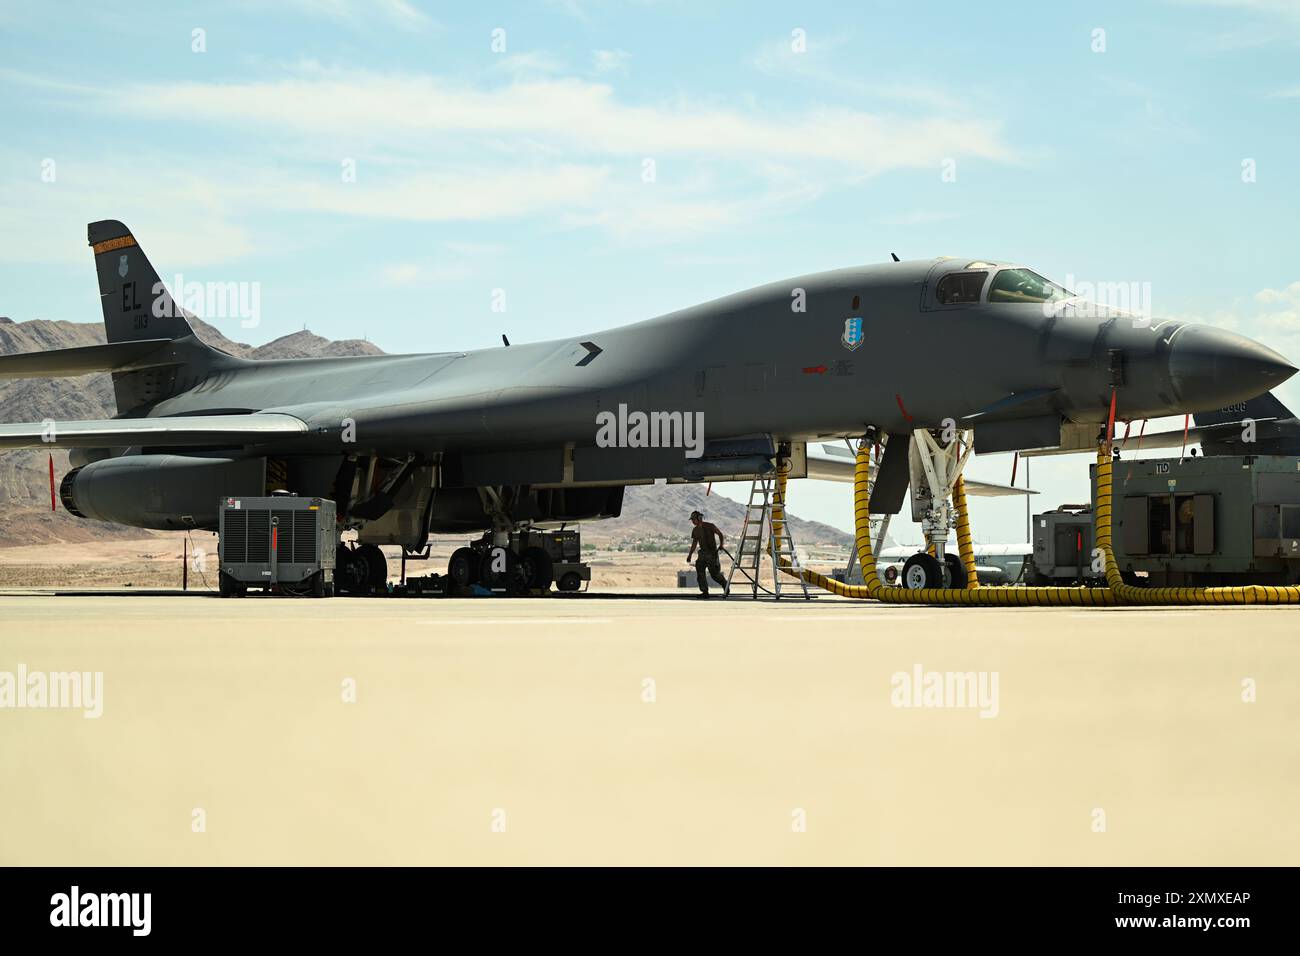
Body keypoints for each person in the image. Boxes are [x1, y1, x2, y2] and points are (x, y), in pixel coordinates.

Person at [686, 510, 728, 598]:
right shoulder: (695, 530)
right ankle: (705, 592)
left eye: (694, 519)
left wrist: (721, 545)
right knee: (700, 571)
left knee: (714, 574)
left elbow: (720, 534)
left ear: (699, 518)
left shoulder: (710, 526)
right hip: (702, 554)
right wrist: (690, 555)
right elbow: (694, 543)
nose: (693, 521)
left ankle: (725, 585)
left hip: (712, 553)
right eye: (692, 520)